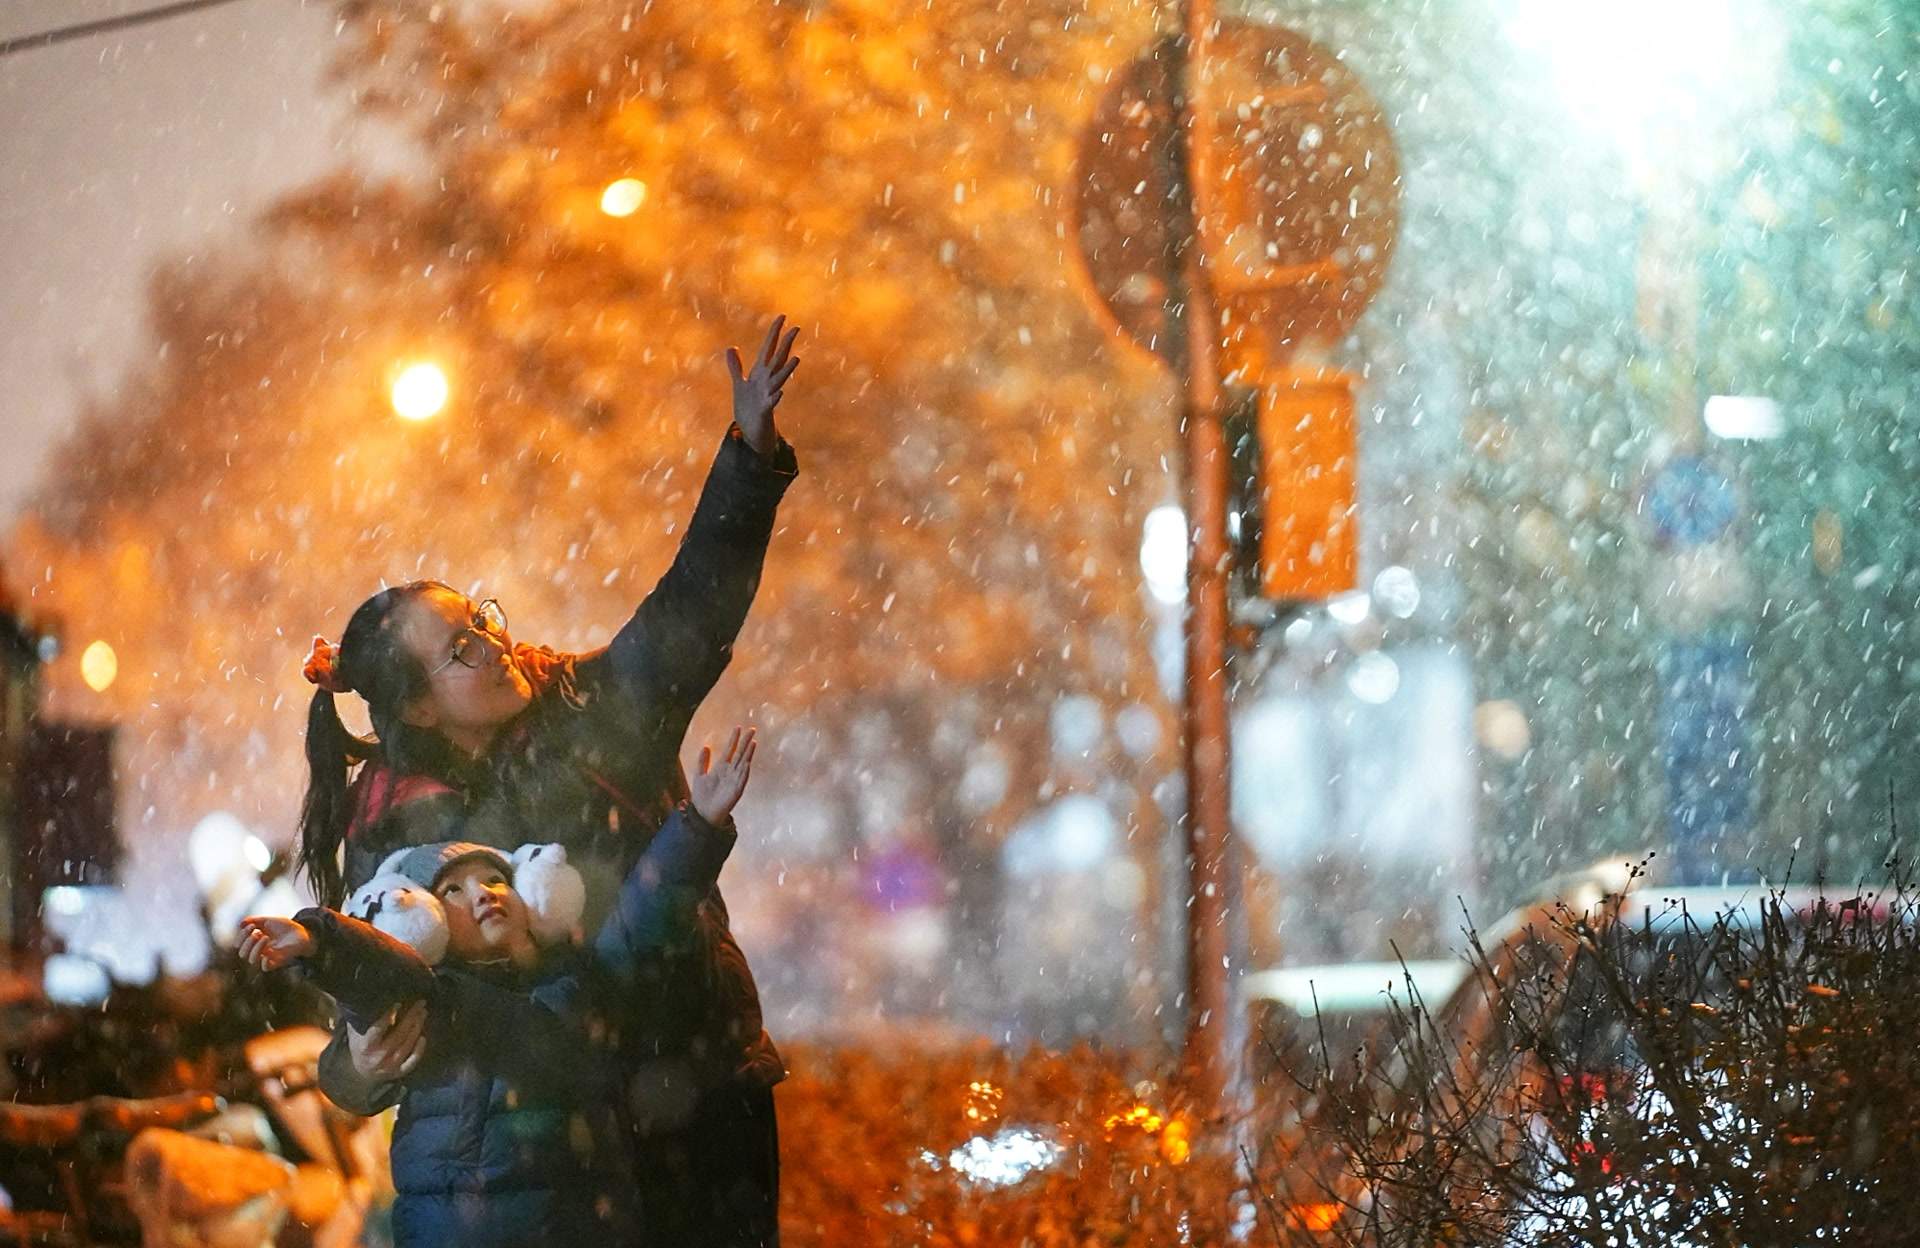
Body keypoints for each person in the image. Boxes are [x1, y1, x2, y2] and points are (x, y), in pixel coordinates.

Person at [296, 317, 800, 1246]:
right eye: (458, 650)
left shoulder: (593, 706)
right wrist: (363, 1068)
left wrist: (748, 457)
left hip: (700, 1084)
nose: (490, 642)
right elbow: (360, 1021)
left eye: (479, 620)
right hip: (551, 1154)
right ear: (416, 710)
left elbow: (694, 604)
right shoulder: (393, 833)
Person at [241, 729, 755, 1246]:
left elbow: (647, 910)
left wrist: (698, 826)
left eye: (494, 879)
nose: (482, 894)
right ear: (427, 921)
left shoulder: (571, 978)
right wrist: (319, 944)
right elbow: (355, 1033)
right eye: (453, 891)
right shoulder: (422, 994)